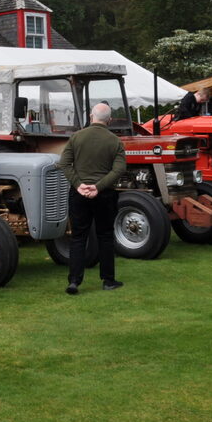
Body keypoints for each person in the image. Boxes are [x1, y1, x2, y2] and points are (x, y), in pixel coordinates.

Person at [58, 102, 127, 294]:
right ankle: (108, 280)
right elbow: (120, 169)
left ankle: (74, 281)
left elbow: (64, 163)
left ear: (91, 116)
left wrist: (78, 184)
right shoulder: (115, 141)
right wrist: (98, 187)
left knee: (78, 237)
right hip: (104, 194)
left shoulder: (77, 137)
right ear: (110, 120)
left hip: (79, 193)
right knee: (105, 236)